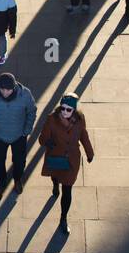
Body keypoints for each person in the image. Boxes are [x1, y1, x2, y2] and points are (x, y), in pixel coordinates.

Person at [37, 92, 94, 237]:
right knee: (55, 178)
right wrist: (48, 142)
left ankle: (63, 218)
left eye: (68, 109)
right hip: (55, 156)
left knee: (67, 190)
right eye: (62, 108)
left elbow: (84, 136)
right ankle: (55, 185)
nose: (65, 112)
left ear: (74, 110)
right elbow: (42, 138)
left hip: (71, 161)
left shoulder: (80, 120)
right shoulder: (51, 119)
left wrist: (89, 152)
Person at [0, 71, 37, 199]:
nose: (5, 92)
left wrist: (27, 130)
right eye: (3, 89)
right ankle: (1, 184)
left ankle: (17, 180)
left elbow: (32, 111)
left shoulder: (25, 94)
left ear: (14, 87)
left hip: (19, 136)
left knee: (19, 161)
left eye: (8, 90)